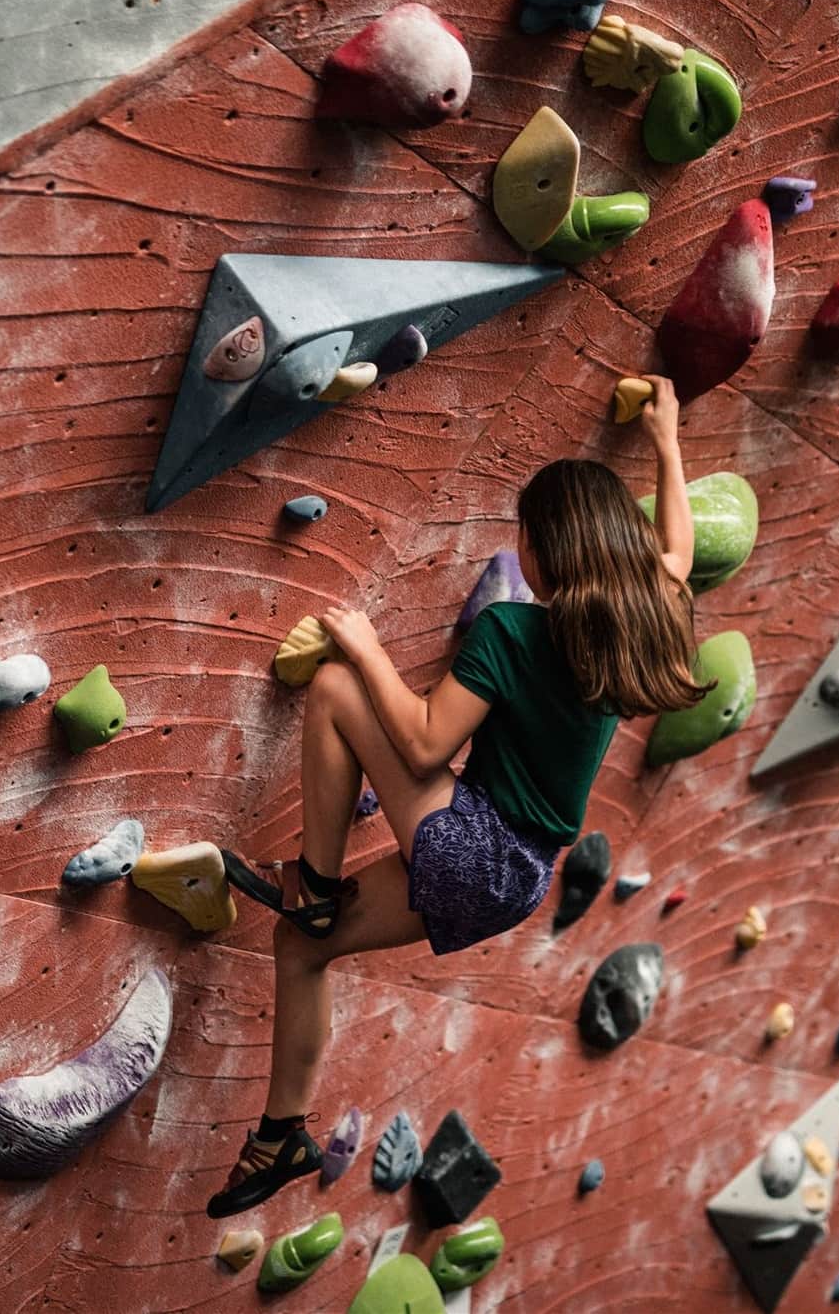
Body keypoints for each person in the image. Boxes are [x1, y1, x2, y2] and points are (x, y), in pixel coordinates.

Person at [206, 375, 705, 1218]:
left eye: (525, 537)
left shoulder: (515, 630)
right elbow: (677, 554)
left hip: (472, 845)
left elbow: (427, 740)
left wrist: (366, 648)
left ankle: (317, 885)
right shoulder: (640, 621)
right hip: (518, 879)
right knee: (303, 949)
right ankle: (280, 1132)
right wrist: (666, 440)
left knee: (334, 689)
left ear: (546, 548)